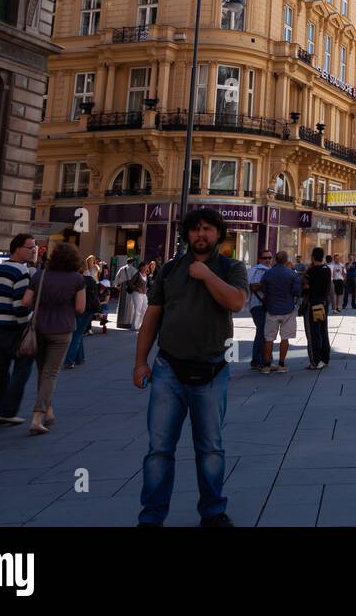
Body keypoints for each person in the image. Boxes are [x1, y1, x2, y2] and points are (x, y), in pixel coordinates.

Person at [133, 207, 248, 527]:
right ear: (187, 234)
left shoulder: (230, 267)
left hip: (212, 370)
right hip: (168, 368)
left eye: (208, 229)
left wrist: (207, 274)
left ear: (218, 235)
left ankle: (213, 512)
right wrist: (140, 362)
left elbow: (236, 303)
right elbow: (151, 317)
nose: (201, 234)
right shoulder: (169, 270)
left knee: (210, 447)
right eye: (196, 229)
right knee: (159, 449)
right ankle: (151, 516)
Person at [21, 243, 87, 435]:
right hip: (63, 328)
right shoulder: (77, 279)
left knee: (43, 371)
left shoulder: (39, 276)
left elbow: (26, 301)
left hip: (39, 327)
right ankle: (37, 416)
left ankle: (48, 411)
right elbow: (80, 308)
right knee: (50, 373)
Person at [0, 233, 37, 428]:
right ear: (17, 249)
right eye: (30, 247)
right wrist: (26, 329)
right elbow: (20, 305)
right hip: (13, 329)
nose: (33, 251)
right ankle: (8, 410)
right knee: (23, 368)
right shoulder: (22, 272)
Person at [259, 251, 301, 374]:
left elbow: (264, 289)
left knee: (269, 338)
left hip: (272, 308)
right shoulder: (291, 273)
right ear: (286, 260)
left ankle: (266, 365)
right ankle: (281, 363)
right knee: (285, 338)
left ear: (275, 260)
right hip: (287, 308)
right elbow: (297, 291)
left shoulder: (268, 273)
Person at [303, 248, 332, 370]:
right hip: (324, 302)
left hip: (313, 303)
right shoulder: (327, 269)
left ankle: (315, 360)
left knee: (313, 332)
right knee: (323, 330)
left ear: (313, 257)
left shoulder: (312, 271)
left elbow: (305, 285)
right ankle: (325, 358)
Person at [247, 250, 274, 371]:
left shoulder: (272, 270)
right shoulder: (254, 270)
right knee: (262, 331)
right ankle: (260, 361)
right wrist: (266, 285)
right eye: (265, 258)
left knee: (263, 332)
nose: (267, 260)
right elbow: (251, 286)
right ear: (259, 259)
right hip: (257, 304)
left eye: (269, 258)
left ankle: (260, 360)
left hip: (268, 305)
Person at [113, 257, 140, 329]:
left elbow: (117, 277)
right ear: (133, 262)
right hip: (130, 288)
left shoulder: (122, 268)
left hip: (122, 287)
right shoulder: (134, 270)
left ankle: (120, 322)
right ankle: (128, 322)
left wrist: (116, 286)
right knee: (130, 305)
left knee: (121, 304)